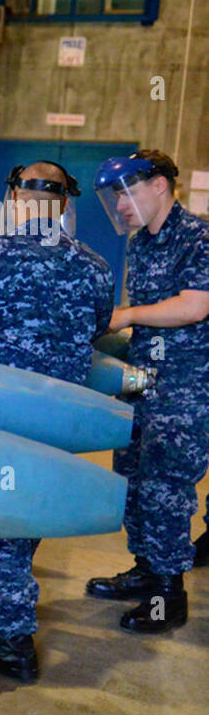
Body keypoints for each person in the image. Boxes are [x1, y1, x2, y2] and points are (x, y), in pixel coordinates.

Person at [0, 161, 113, 680]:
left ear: (14, 200)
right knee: (30, 509)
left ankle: (15, 641)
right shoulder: (95, 266)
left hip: (2, 413)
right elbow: (98, 327)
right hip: (62, 417)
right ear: (62, 206)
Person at [86, 150, 209, 632]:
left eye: (127, 192)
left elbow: (195, 306)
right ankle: (144, 570)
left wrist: (130, 315)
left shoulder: (197, 238)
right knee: (133, 477)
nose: (119, 205)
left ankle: (167, 594)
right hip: (143, 380)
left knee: (167, 487)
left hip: (184, 386)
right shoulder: (140, 243)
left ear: (159, 185)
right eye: (114, 196)